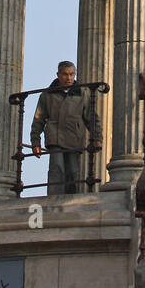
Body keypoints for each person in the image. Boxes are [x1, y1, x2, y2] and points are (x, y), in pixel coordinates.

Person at [30, 61, 102, 196]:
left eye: (71, 74)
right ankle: (54, 199)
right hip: (54, 137)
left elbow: (91, 118)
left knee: (73, 171)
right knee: (56, 169)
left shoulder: (83, 93)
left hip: (74, 136)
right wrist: (35, 142)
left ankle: (71, 198)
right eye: (65, 74)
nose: (68, 78)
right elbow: (38, 119)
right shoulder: (47, 95)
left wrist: (97, 138)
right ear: (58, 75)